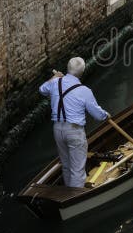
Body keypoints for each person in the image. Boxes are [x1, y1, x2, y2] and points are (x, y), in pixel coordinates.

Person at [39, 57, 109, 188]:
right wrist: (106, 115)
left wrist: (54, 78)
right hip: (74, 132)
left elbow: (42, 89)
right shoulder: (84, 91)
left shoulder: (55, 83)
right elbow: (98, 115)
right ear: (82, 72)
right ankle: (74, 199)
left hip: (58, 130)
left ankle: (68, 193)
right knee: (77, 170)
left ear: (68, 68)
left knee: (66, 165)